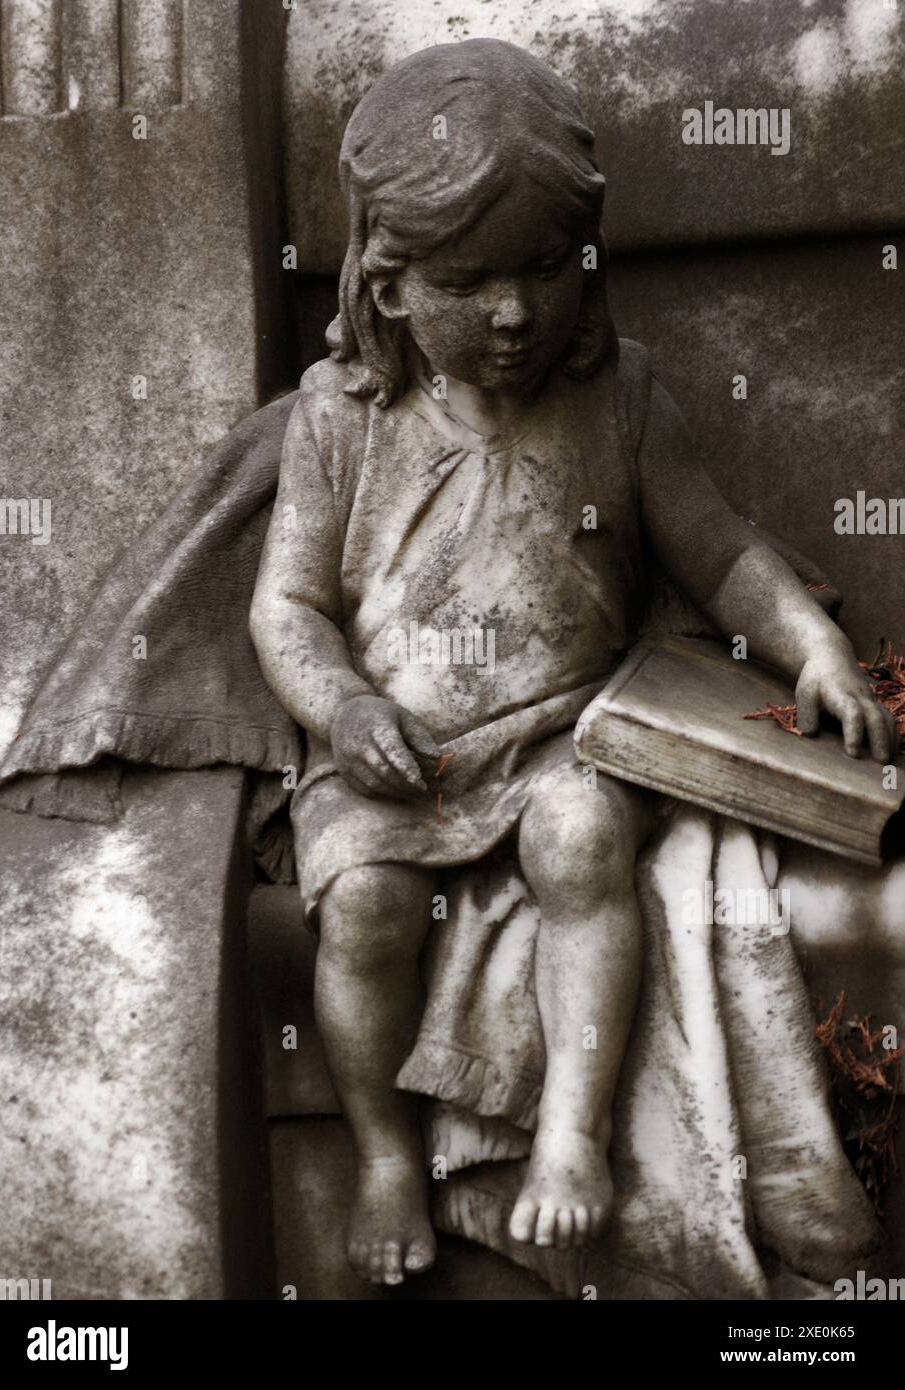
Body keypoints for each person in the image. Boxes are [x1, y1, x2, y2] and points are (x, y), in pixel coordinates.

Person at [250, 38, 894, 1287]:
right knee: (369, 908)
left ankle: (568, 1138)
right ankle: (387, 1149)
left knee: (581, 843)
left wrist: (811, 640)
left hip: (564, 730)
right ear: (387, 286)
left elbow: (719, 555)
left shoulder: (621, 396)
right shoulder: (340, 417)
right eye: (470, 280)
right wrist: (340, 706)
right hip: (392, 751)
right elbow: (286, 608)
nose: (513, 311)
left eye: (545, 271)